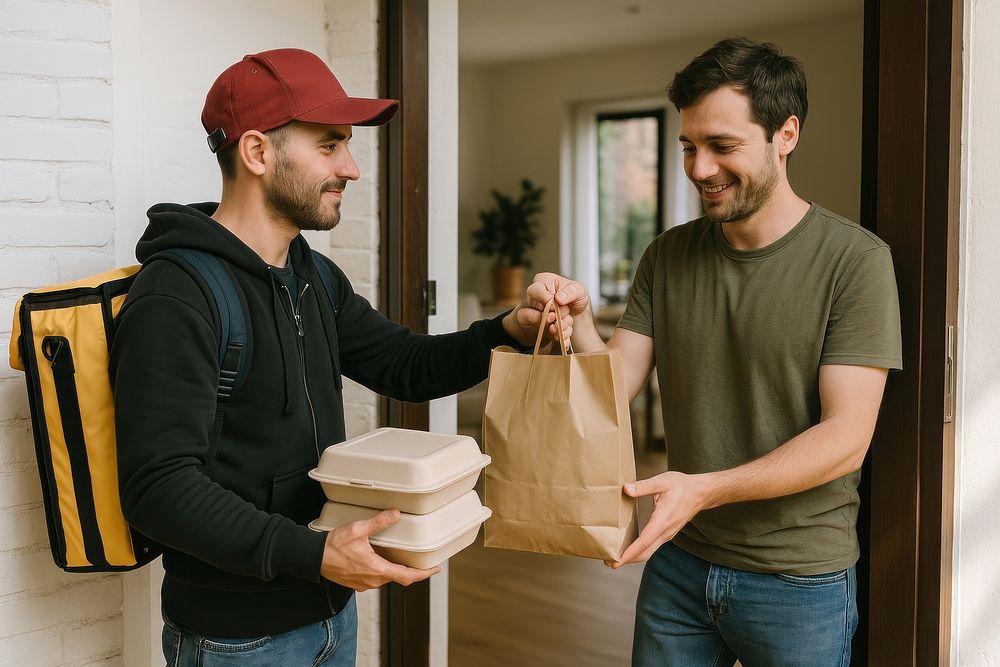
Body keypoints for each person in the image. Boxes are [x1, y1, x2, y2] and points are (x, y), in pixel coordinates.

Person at [110, 48, 560, 666]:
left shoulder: (312, 276)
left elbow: (404, 365)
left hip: (328, 614)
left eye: (347, 145)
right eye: (329, 145)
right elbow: (158, 488)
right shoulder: (176, 296)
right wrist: (316, 554)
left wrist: (509, 328)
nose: (350, 168)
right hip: (235, 638)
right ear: (258, 153)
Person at [526, 37, 902, 665]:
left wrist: (706, 489)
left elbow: (846, 436)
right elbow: (614, 390)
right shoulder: (668, 254)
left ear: (786, 134)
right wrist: (581, 326)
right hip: (679, 563)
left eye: (723, 147)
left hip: (797, 580)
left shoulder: (855, 263)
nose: (700, 169)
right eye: (689, 147)